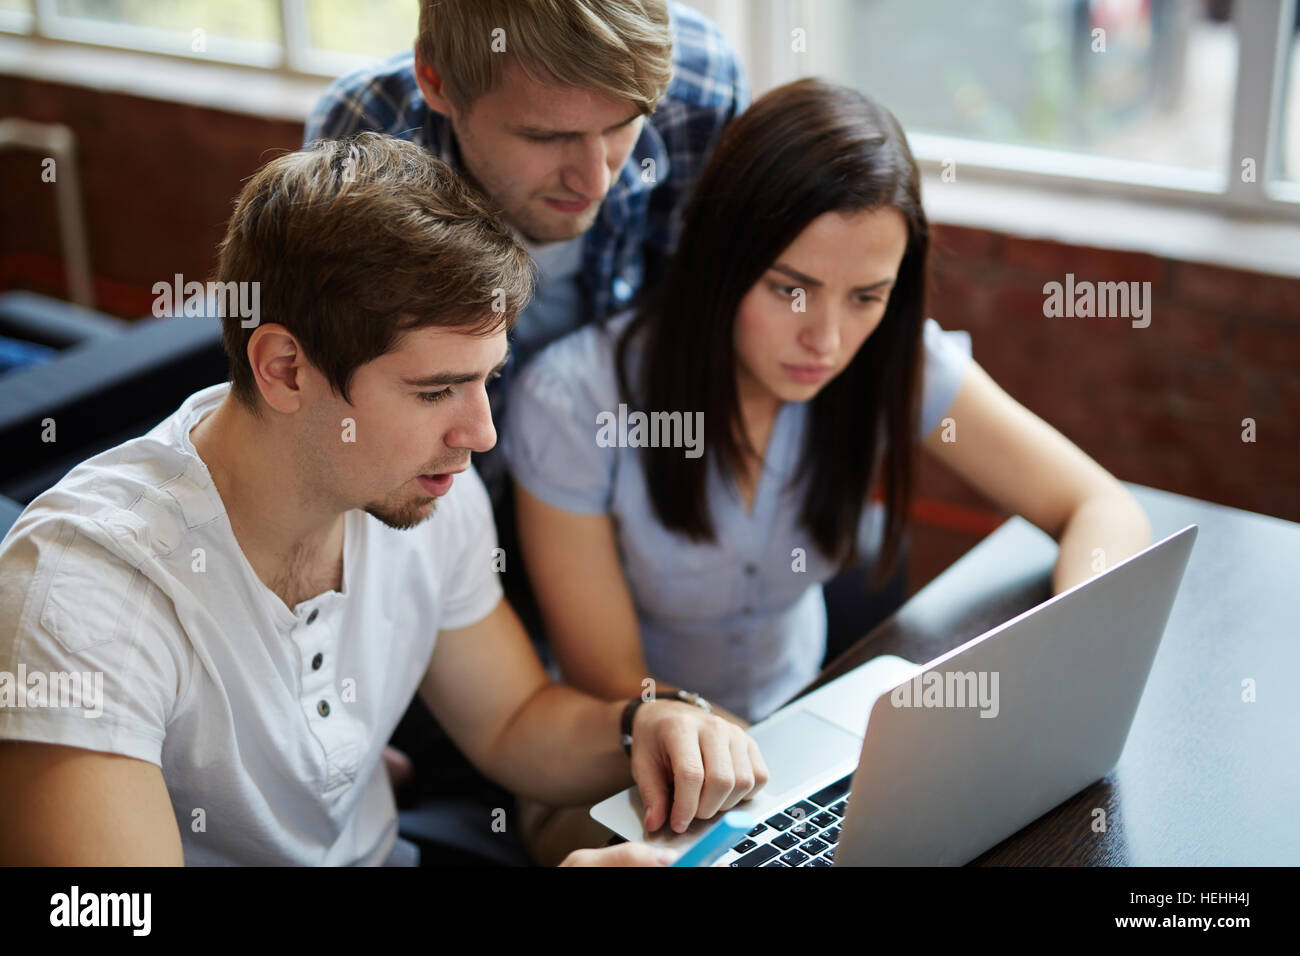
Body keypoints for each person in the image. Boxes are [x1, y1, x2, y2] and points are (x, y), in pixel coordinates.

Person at [0, 133, 768, 866]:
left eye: (486, 379)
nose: (482, 434)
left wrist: (647, 724)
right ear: (286, 369)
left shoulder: (419, 487)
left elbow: (510, 722)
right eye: (436, 390)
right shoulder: (83, 600)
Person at [501, 79, 1153, 859]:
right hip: (626, 781)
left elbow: (1099, 504)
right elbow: (623, 691)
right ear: (721, 259)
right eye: (792, 289)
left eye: (867, 296)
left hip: (807, 741)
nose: (829, 340)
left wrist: (1073, 652)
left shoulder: (889, 359)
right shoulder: (576, 400)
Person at [304, 0, 748, 495]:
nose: (595, 181)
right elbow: (368, 413)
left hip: (637, 465)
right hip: (457, 490)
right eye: (546, 136)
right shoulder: (362, 144)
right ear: (436, 80)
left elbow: (708, 324)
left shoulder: (700, 88)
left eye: (623, 125)